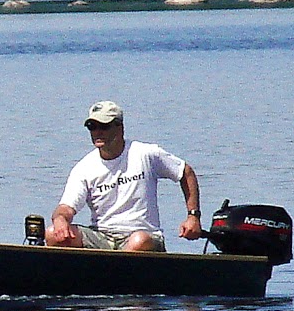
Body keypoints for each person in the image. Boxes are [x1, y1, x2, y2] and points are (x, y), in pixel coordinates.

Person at [47, 100, 203, 252]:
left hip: (143, 236)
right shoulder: (84, 168)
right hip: (102, 236)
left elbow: (185, 172)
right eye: (92, 127)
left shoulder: (146, 154)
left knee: (138, 242)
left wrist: (193, 216)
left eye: (104, 126)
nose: (97, 132)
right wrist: (60, 218)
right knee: (52, 233)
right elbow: (66, 207)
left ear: (119, 127)